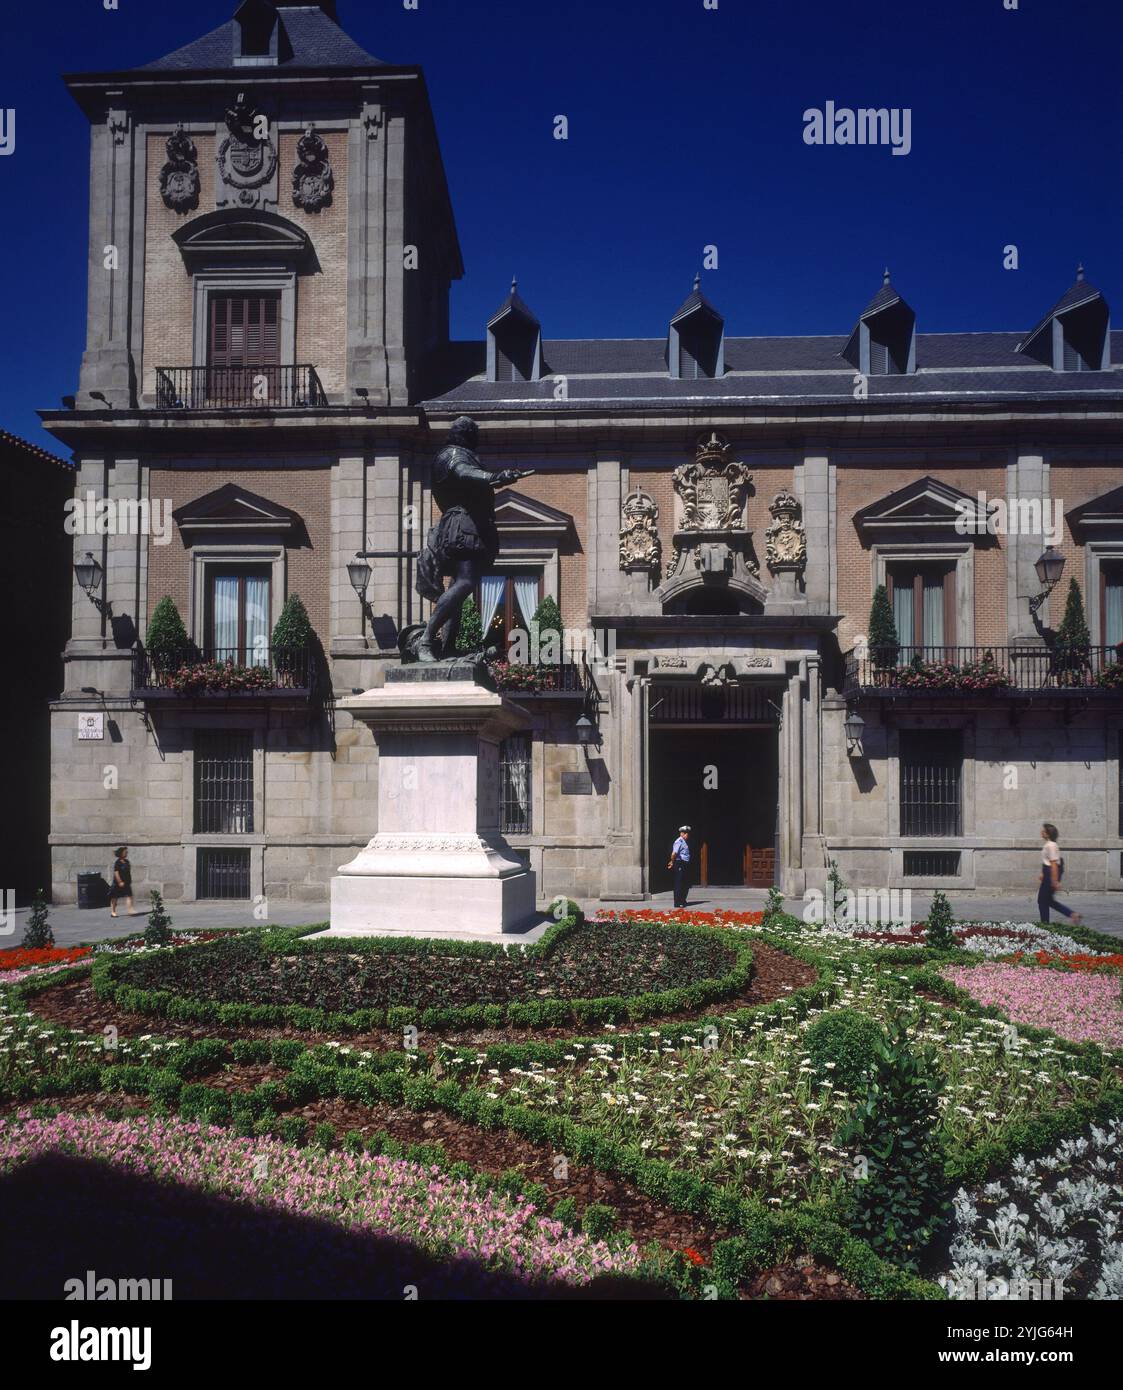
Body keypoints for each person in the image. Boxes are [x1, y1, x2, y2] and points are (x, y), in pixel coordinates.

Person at [414, 416, 533, 661]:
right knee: (466, 582)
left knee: (459, 587)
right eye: (473, 434)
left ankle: (447, 647)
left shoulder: (450, 454)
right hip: (463, 525)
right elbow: (464, 472)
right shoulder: (454, 454)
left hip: (464, 523)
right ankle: (426, 640)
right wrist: (495, 476)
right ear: (467, 435)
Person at [1038, 823, 1082, 926]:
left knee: (1042, 901)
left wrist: (1054, 880)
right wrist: (1043, 873)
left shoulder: (1051, 845)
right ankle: (1072, 914)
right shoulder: (1049, 844)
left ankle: (1045, 924)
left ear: (1048, 834)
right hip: (1047, 873)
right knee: (1047, 900)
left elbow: (1053, 864)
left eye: (1043, 831)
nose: (1041, 832)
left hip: (1050, 875)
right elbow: (1048, 861)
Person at [668, 825, 692, 910]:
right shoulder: (679, 841)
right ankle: (677, 902)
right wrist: (672, 861)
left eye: (687, 833)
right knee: (679, 882)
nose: (687, 835)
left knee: (685, 882)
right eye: (685, 833)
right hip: (679, 863)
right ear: (682, 833)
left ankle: (682, 900)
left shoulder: (684, 842)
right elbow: (674, 853)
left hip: (684, 863)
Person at [109, 846, 135, 919]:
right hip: (118, 883)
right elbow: (116, 873)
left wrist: (129, 880)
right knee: (115, 897)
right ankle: (113, 912)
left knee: (129, 896)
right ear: (121, 853)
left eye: (127, 852)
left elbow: (128, 872)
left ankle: (130, 910)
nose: (126, 853)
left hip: (126, 882)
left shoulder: (127, 862)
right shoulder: (117, 863)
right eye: (125, 852)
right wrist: (120, 881)